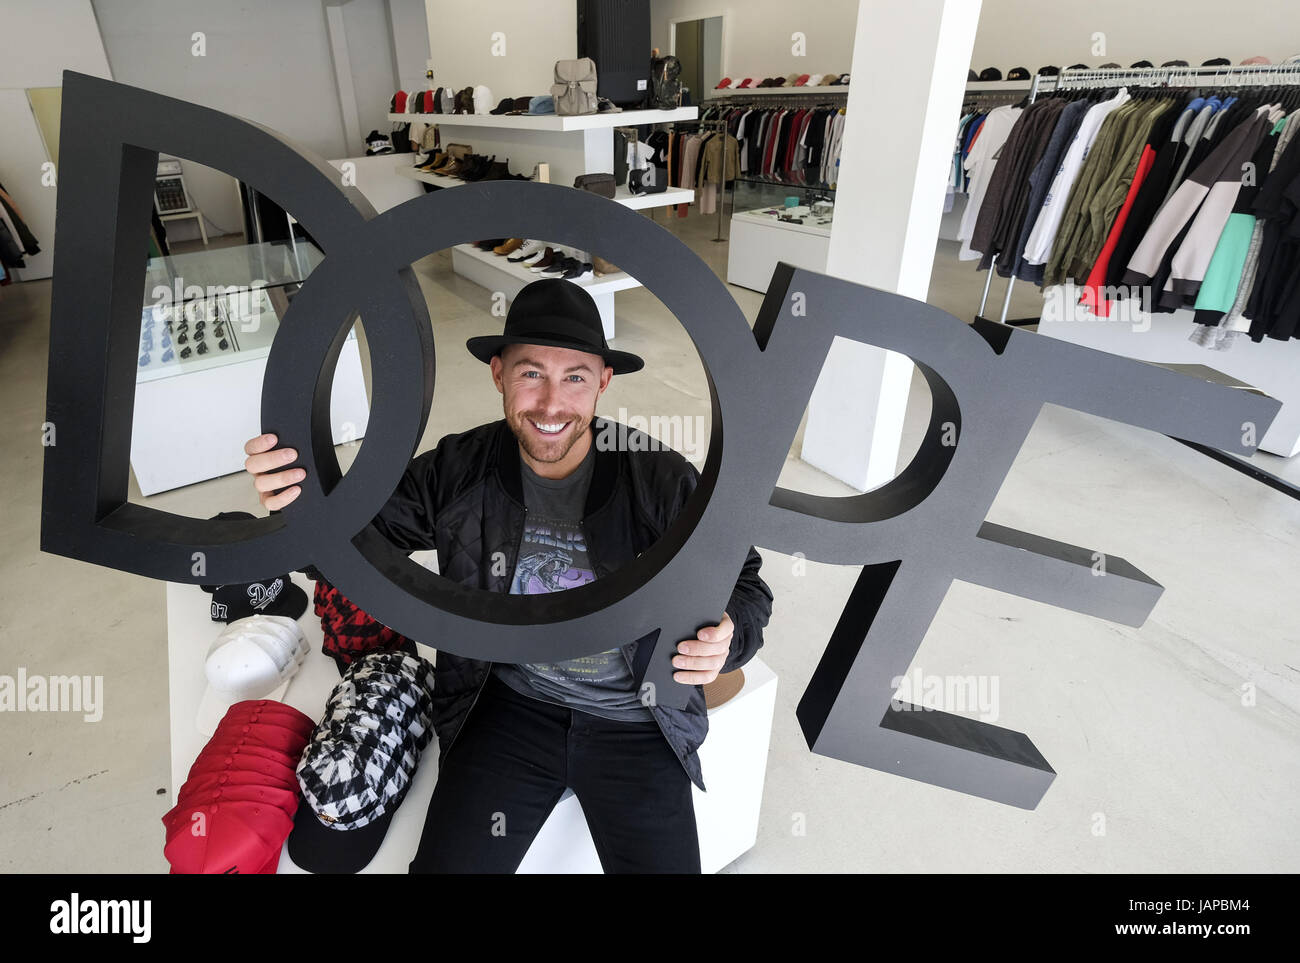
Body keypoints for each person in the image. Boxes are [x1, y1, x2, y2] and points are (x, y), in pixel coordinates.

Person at [243, 278, 773, 873]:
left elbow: (745, 582)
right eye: (530, 374)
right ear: (498, 374)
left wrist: (731, 640)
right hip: (508, 707)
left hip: (638, 719)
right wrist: (296, 507)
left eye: (574, 377)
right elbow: (350, 550)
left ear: (603, 381)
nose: (551, 404)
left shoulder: (658, 476)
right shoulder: (458, 469)